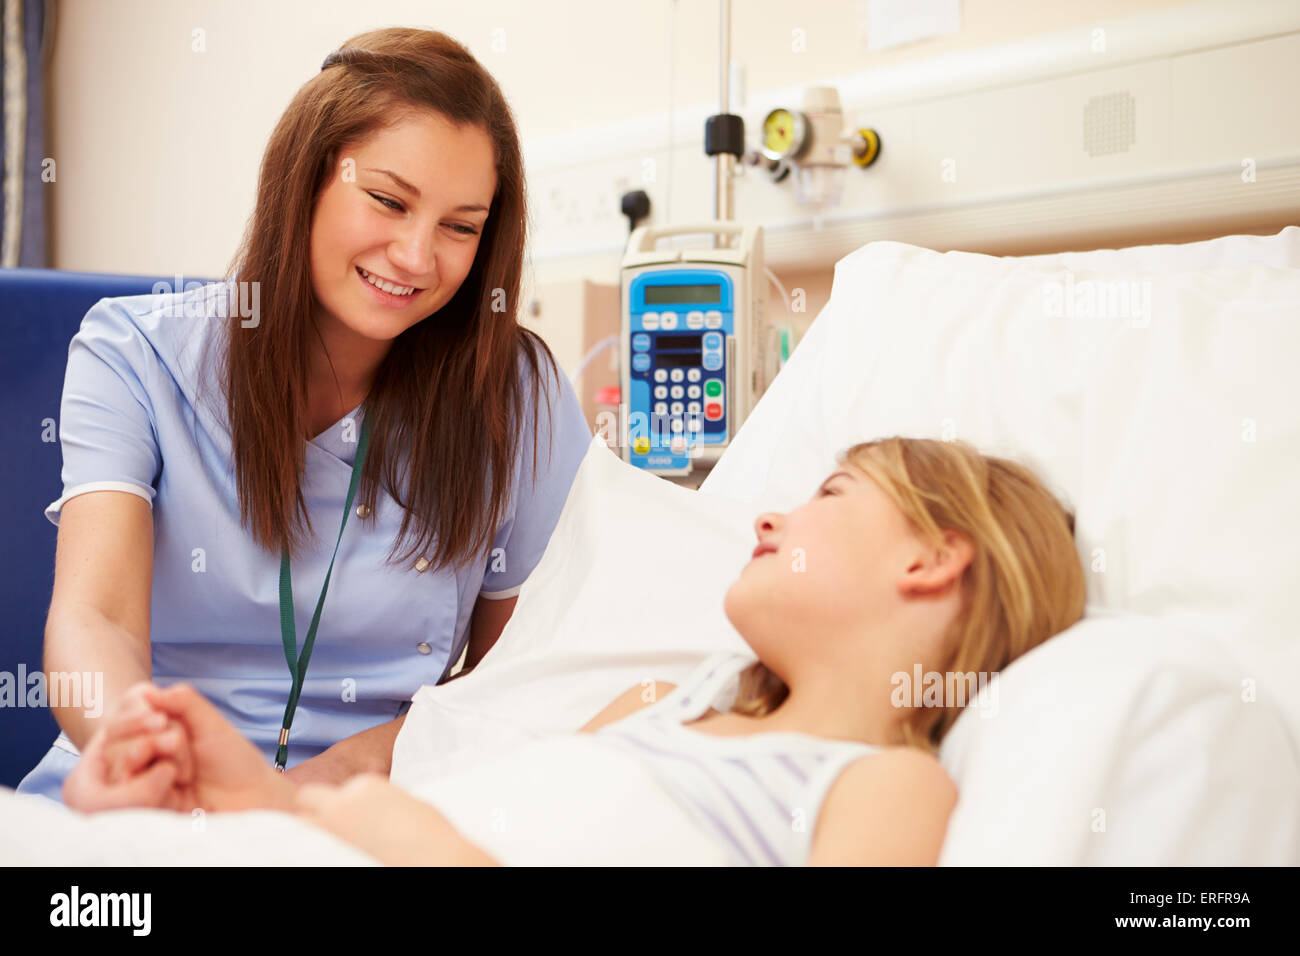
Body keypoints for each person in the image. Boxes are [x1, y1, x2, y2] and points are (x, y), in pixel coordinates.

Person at [16, 28, 592, 802]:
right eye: (388, 201)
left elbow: (512, 686)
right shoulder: (135, 355)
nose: (419, 257)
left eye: (460, 226)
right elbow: (96, 623)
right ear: (306, 180)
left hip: (372, 807)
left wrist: (323, 790)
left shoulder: (518, 397)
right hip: (139, 790)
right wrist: (145, 753)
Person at [48, 436, 1086, 866]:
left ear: (934, 557)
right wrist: (231, 794)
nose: (768, 516)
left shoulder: (881, 784)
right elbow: (464, 827)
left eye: (829, 494)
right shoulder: (659, 703)